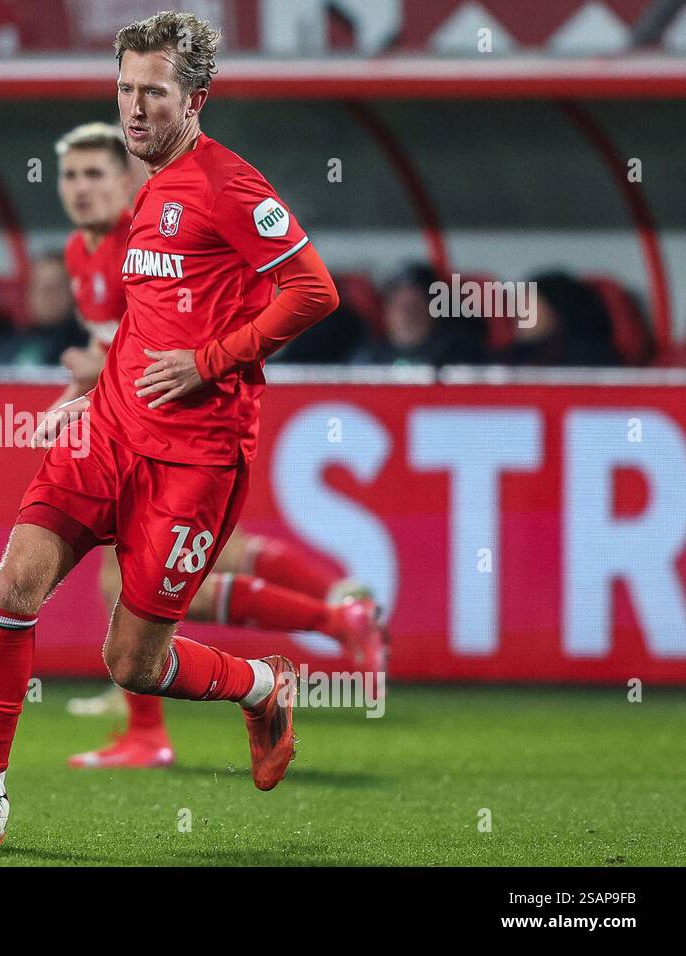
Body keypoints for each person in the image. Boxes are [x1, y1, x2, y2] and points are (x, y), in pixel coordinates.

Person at [0, 12, 342, 811]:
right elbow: (150, 315)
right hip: (109, 433)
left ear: (196, 97)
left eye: (155, 93)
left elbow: (314, 290)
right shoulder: (145, 194)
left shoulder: (227, 184)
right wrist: (88, 392)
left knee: (131, 663)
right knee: (12, 586)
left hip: (196, 457)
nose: (135, 108)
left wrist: (210, 362)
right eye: (126, 90)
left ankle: (261, 685)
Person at [47, 124, 385, 770]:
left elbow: (156, 338)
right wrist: (77, 387)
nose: (81, 189)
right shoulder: (77, 253)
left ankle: (158, 723)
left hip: (183, 430)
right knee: (153, 577)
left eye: (96, 175)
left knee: (156, 578)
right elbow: (116, 348)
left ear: (127, 181)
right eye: (70, 176)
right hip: (132, 426)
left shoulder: (144, 237)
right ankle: (332, 623)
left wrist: (101, 376)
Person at [351, 263, 486, 366]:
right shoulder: (367, 362)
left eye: (417, 304)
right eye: (400, 304)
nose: (407, 314)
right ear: (386, 311)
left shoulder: (463, 360)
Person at [497, 271, 621, 366]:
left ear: (556, 310)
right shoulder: (510, 361)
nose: (517, 313)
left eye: (527, 306)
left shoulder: (592, 362)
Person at [0, 252, 87, 366]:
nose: (45, 295)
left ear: (73, 292)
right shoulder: (8, 345)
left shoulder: (86, 350)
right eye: (37, 286)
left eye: (54, 287)